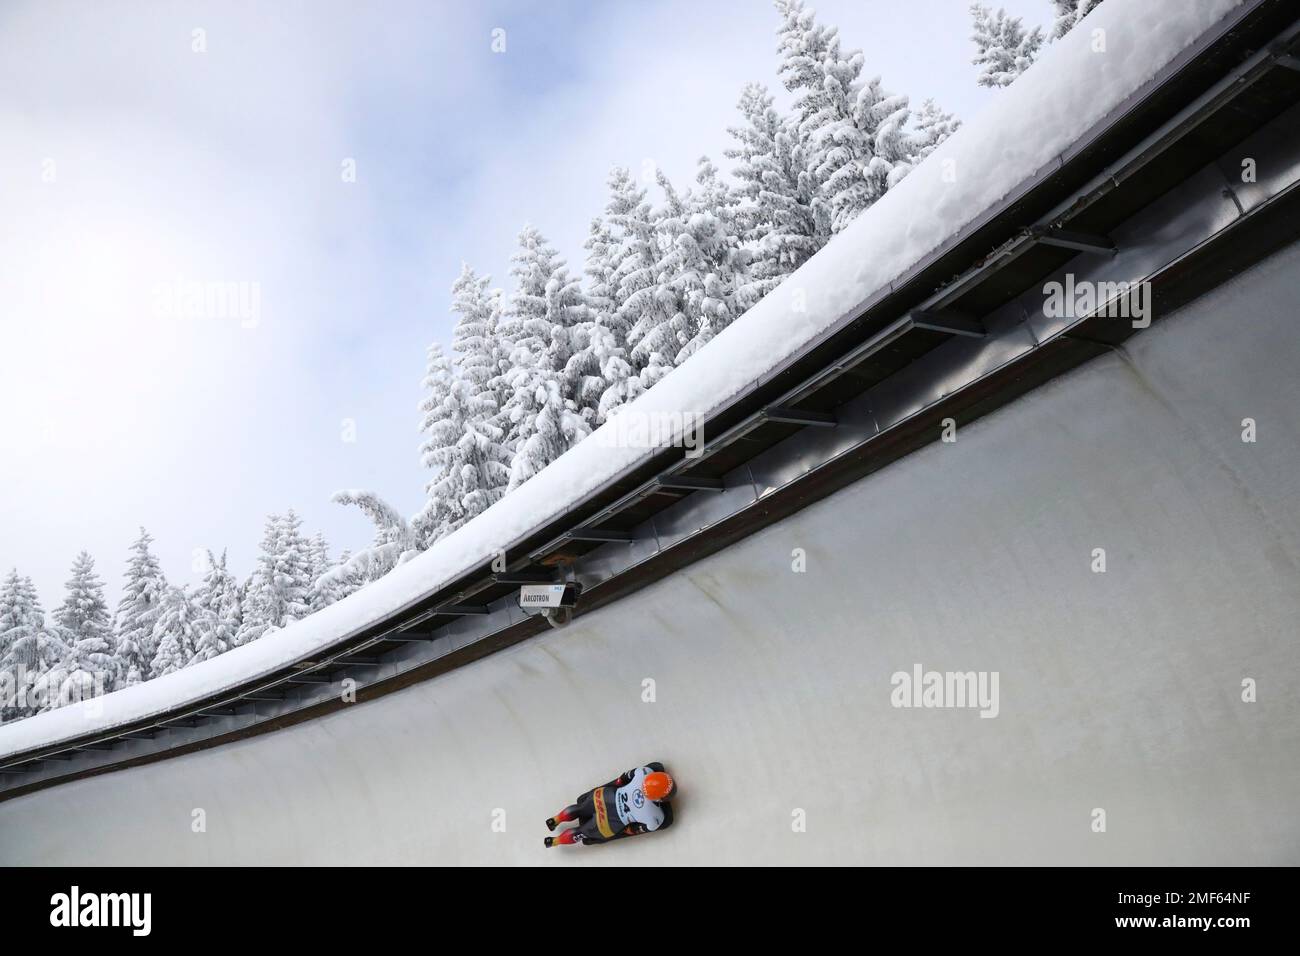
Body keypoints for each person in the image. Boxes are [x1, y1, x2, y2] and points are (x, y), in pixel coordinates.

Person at [544, 762, 676, 847]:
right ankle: (555, 842)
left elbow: (622, 779)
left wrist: (618, 783)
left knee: (580, 808)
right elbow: (635, 830)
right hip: (609, 823)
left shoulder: (644, 772)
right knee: (582, 832)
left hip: (604, 797)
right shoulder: (655, 817)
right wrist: (626, 830)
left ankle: (555, 820)